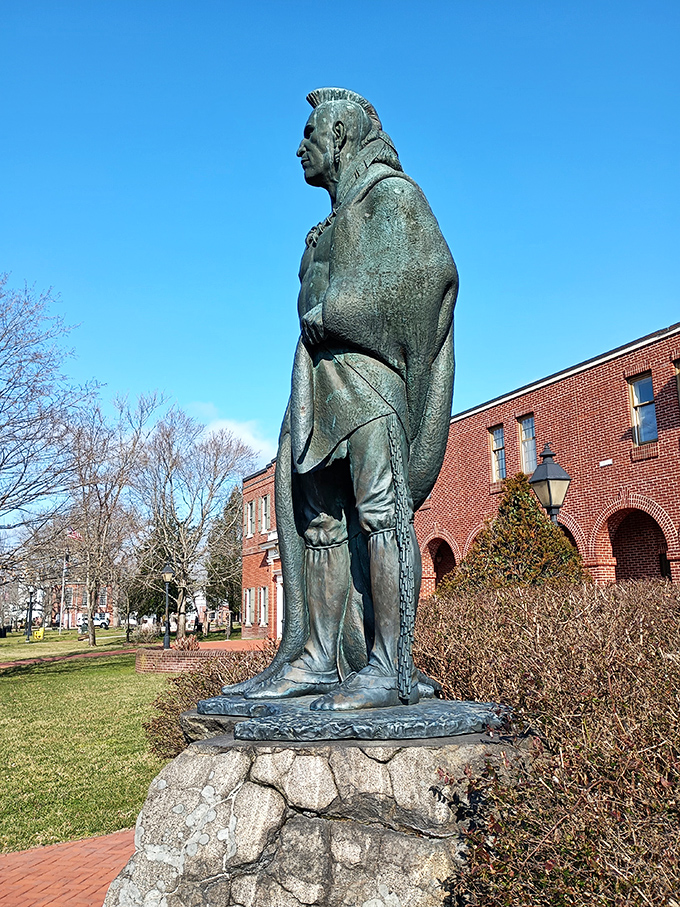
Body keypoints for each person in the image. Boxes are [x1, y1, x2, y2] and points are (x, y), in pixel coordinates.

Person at [230, 88, 457, 710]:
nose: (299, 147)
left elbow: (427, 278)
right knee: (320, 521)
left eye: (310, 134)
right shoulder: (328, 221)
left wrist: (334, 311)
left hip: (368, 383)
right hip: (319, 388)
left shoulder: (394, 196)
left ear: (340, 138)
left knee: (381, 514)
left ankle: (389, 665)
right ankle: (318, 657)